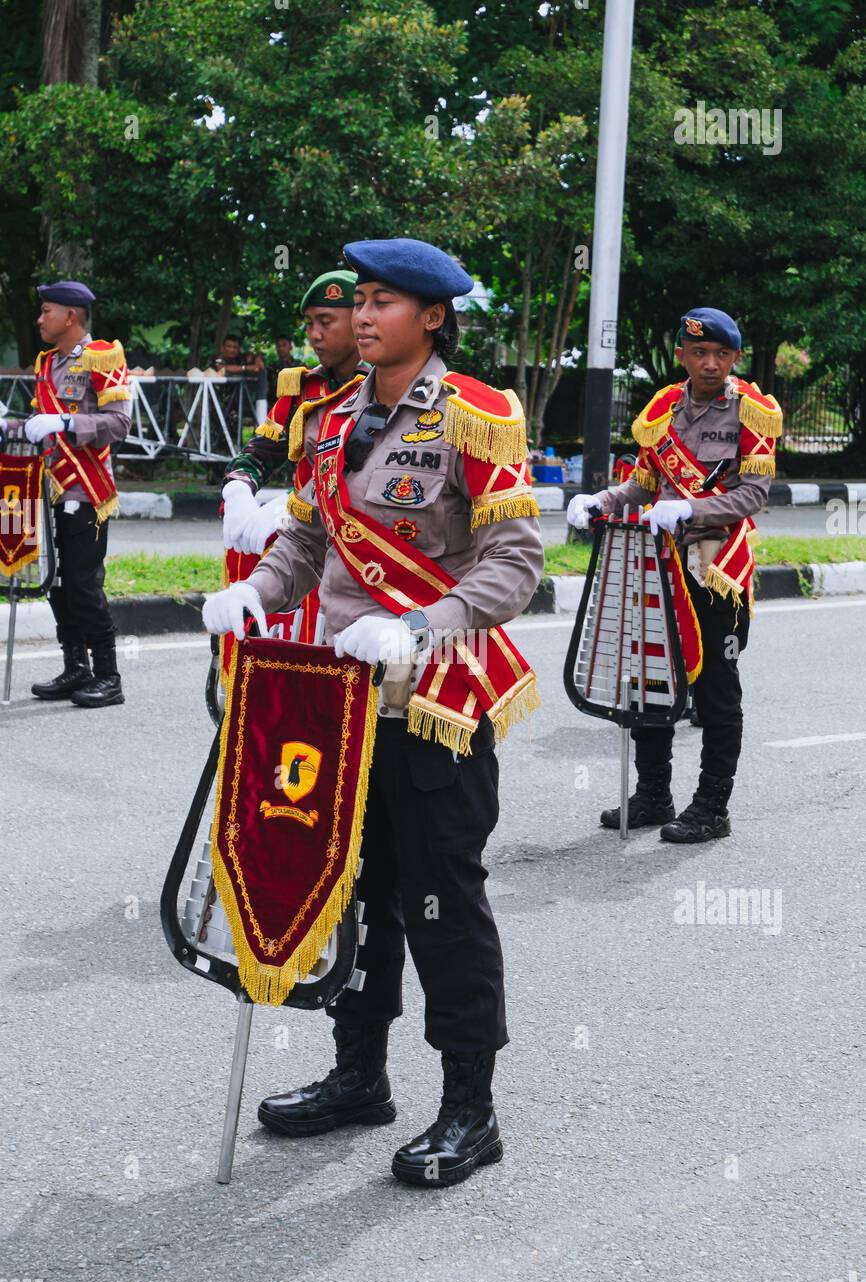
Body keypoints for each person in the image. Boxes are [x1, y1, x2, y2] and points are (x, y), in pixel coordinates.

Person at [203, 237, 544, 1187]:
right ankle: (359, 1076)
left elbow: (515, 565)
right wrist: (258, 594)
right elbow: (311, 545)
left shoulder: (480, 416)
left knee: (440, 903)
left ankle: (469, 1108)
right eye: (360, 300)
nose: (363, 315)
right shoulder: (330, 418)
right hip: (341, 705)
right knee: (351, 895)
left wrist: (422, 625)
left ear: (431, 317)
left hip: (437, 700)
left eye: (386, 302)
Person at [568, 307, 782, 843]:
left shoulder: (752, 411)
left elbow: (754, 493)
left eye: (722, 355)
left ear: (735, 358)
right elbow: (643, 484)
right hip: (658, 565)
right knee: (649, 680)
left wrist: (693, 510)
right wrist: (600, 499)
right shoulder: (663, 408)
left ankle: (712, 807)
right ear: (682, 355)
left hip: (715, 569)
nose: (710, 364)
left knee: (715, 691)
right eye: (699, 354)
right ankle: (653, 795)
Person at [0, 280, 131, 707]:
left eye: (46, 311)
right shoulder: (45, 363)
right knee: (55, 581)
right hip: (48, 485)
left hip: (86, 489)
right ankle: (76, 667)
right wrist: (11, 426)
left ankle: (109, 676)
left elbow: (118, 424)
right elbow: (42, 423)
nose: (40, 319)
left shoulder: (103, 355)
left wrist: (68, 423)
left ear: (71, 316)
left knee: (83, 583)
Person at [221, 270, 364, 557]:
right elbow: (258, 455)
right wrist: (238, 491)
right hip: (305, 545)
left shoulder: (386, 387)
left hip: (365, 545)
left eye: (325, 322)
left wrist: (289, 501)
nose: (314, 335)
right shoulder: (302, 390)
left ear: (359, 321)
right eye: (309, 324)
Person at [267, 335, 302, 402]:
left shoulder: (299, 366)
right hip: (275, 404)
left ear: (291, 347)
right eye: (278, 346)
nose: (280, 348)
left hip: (296, 405)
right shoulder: (271, 367)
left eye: (284, 345)